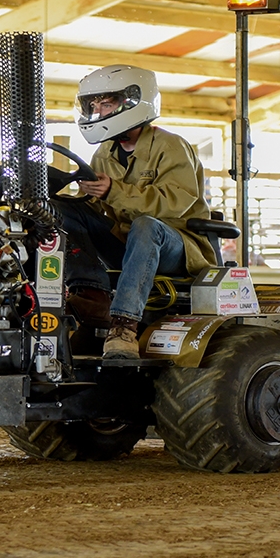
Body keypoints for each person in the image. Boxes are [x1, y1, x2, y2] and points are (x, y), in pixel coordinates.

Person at [54, 64, 214, 360]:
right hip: (127, 243)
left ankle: (124, 326)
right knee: (61, 211)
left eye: (107, 103)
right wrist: (66, 197)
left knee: (145, 225)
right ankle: (92, 294)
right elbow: (95, 208)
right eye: (94, 105)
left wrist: (113, 190)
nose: (99, 111)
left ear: (131, 102)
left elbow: (176, 203)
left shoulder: (171, 146)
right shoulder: (104, 153)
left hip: (176, 246)